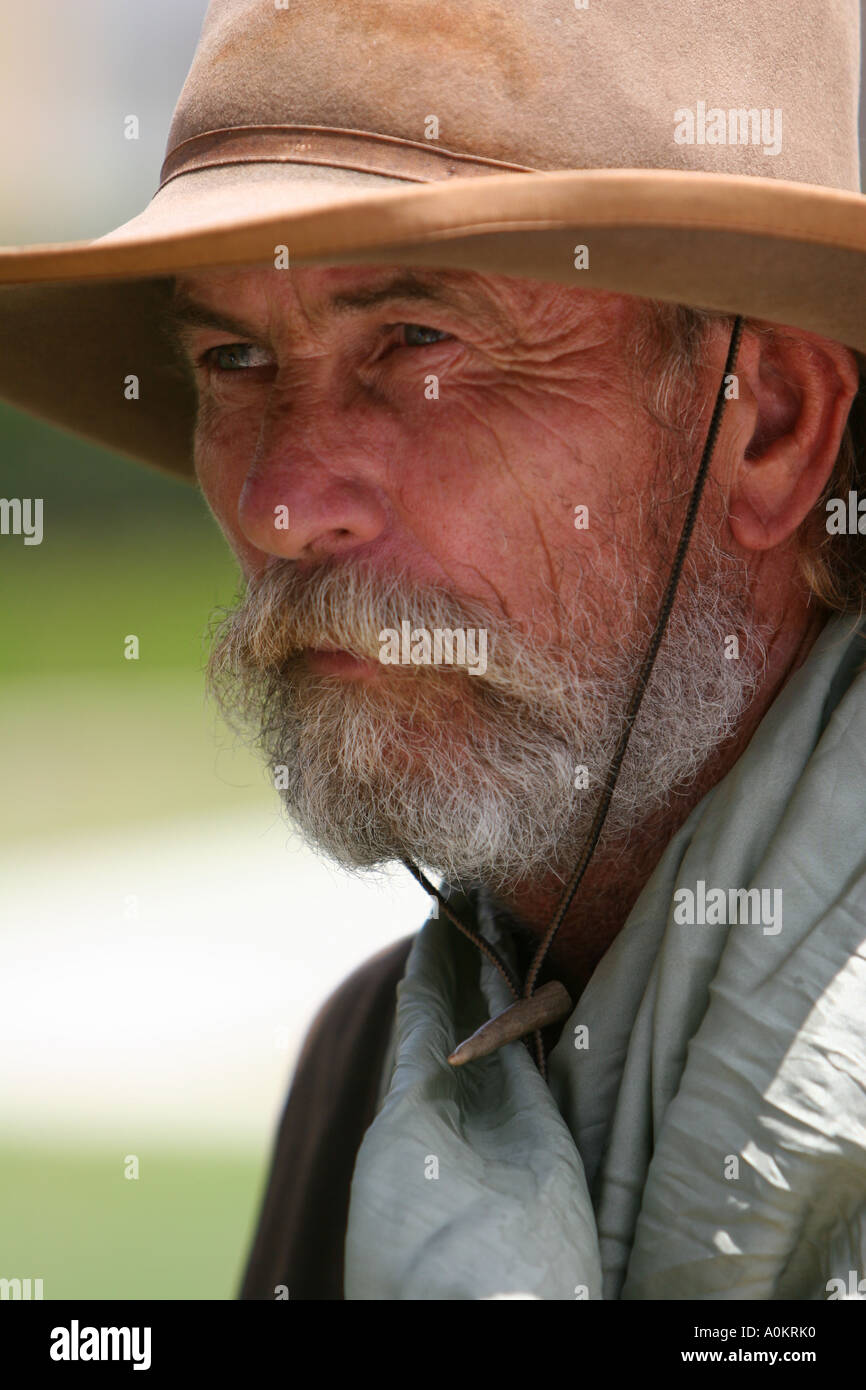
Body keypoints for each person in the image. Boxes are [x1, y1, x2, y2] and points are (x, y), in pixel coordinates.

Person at [0, 0, 864, 1301]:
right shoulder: (378, 1071)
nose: (281, 504)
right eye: (234, 358)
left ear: (770, 427)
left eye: (418, 344)